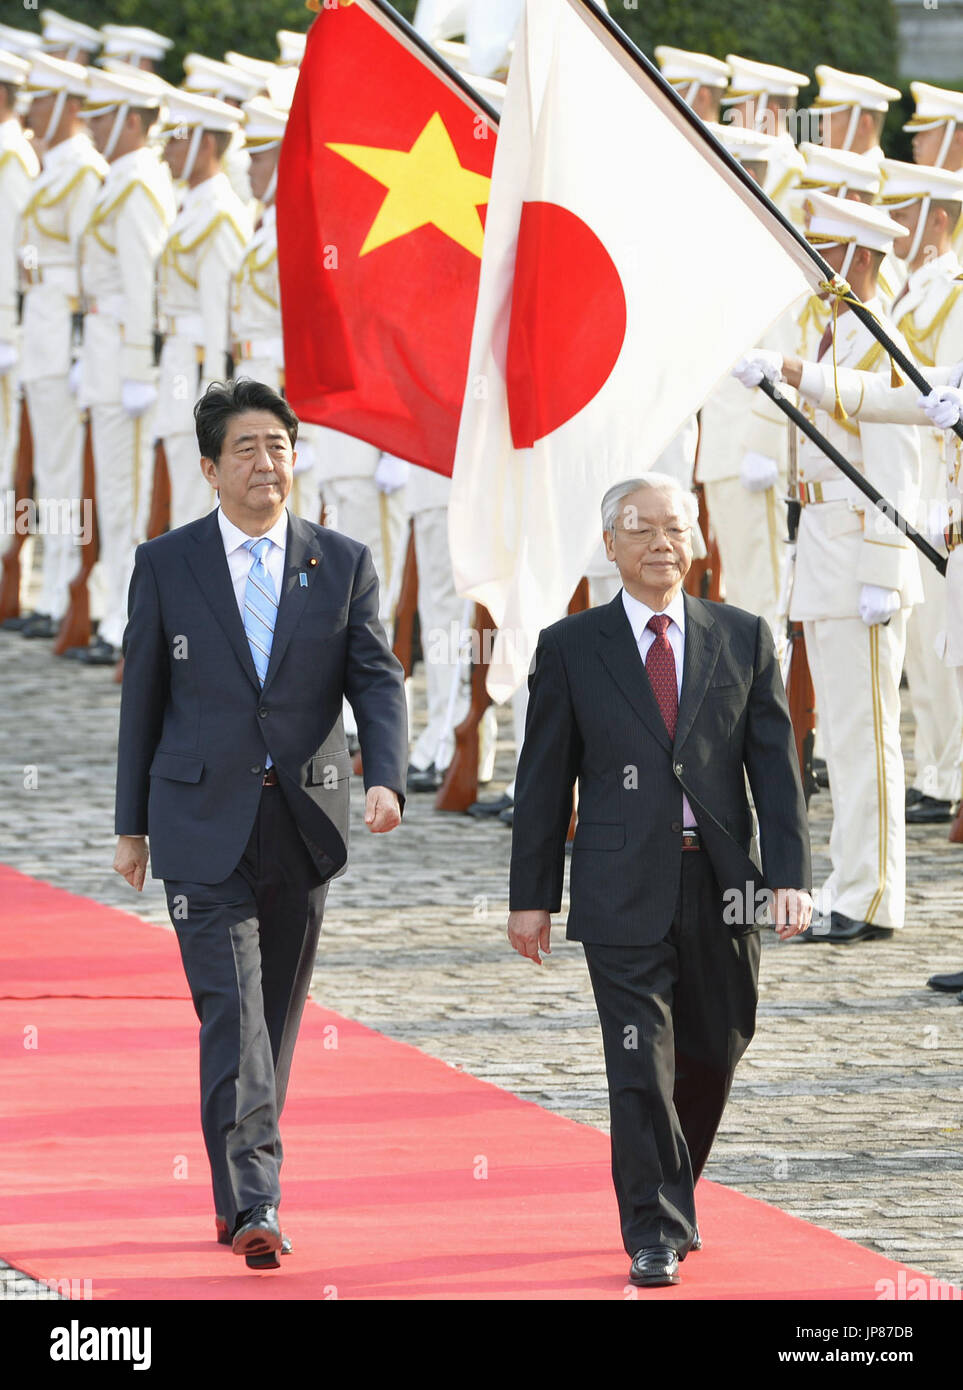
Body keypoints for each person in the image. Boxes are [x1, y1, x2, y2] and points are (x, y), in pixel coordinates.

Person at [113, 377, 408, 1268]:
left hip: (303, 821)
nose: (265, 463)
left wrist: (384, 778)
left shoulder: (342, 560)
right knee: (231, 1017)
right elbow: (144, 702)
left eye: (278, 445)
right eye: (244, 448)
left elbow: (376, 677)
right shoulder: (167, 563)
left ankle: (240, 1179)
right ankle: (256, 1199)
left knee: (273, 1019)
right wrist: (132, 826)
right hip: (199, 821)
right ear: (209, 467)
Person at [507, 472, 812, 1288]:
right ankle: (651, 1227)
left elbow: (777, 773)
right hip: (618, 889)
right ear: (609, 546)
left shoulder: (742, 637)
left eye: (674, 529)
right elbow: (542, 782)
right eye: (639, 530)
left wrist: (787, 876)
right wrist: (531, 898)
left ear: (696, 540)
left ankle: (671, 1189)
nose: (659, 545)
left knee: (714, 1050)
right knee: (639, 1062)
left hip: (726, 888)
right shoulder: (570, 647)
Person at [738, 193, 922, 944]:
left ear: (859, 261)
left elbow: (898, 463)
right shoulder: (831, 337)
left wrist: (885, 562)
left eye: (825, 251)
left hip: (859, 552)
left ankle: (871, 893)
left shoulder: (879, 341)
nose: (813, 264)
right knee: (841, 734)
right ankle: (852, 881)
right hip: (821, 540)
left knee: (864, 730)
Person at [68, 67, 176, 666]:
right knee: (113, 491)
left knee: (129, 493)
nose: (95, 127)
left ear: (132, 122)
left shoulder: (137, 185)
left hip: (125, 360)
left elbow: (142, 282)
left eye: (106, 117)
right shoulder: (122, 180)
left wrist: (140, 367)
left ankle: (125, 622)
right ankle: (114, 616)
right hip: (105, 351)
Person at [155, 89, 252, 530]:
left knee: (197, 503)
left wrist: (216, 399)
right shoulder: (192, 206)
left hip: (198, 370)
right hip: (178, 363)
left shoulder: (219, 213)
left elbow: (220, 319)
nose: (168, 149)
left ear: (205, 144)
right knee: (180, 493)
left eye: (177, 138)